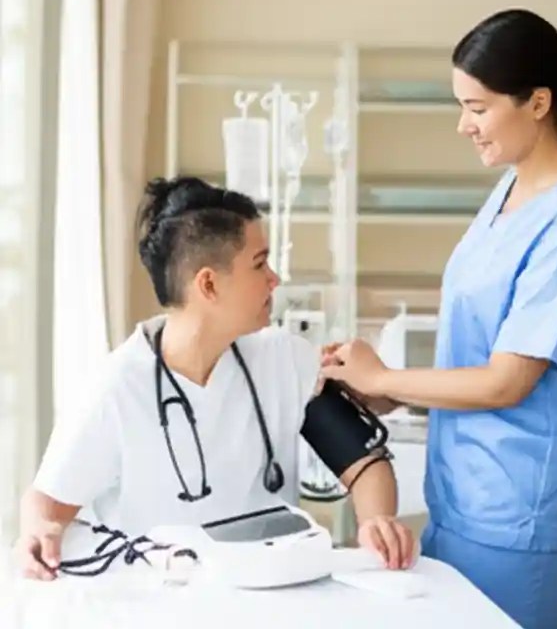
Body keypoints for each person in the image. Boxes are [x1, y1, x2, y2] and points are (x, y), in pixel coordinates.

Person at [320, 7, 557, 629]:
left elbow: (506, 381)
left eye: (477, 108)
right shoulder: (509, 190)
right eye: (461, 106)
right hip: (458, 503)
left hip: (519, 519)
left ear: (538, 103)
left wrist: (385, 377)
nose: (463, 125)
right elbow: (474, 350)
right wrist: (383, 391)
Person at [12, 177, 418, 581]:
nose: (274, 279)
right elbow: (46, 503)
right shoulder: (116, 388)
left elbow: (364, 463)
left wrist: (376, 521)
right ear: (208, 284)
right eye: (259, 264)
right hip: (162, 598)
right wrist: (39, 532)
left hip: (271, 591)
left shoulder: (284, 358)